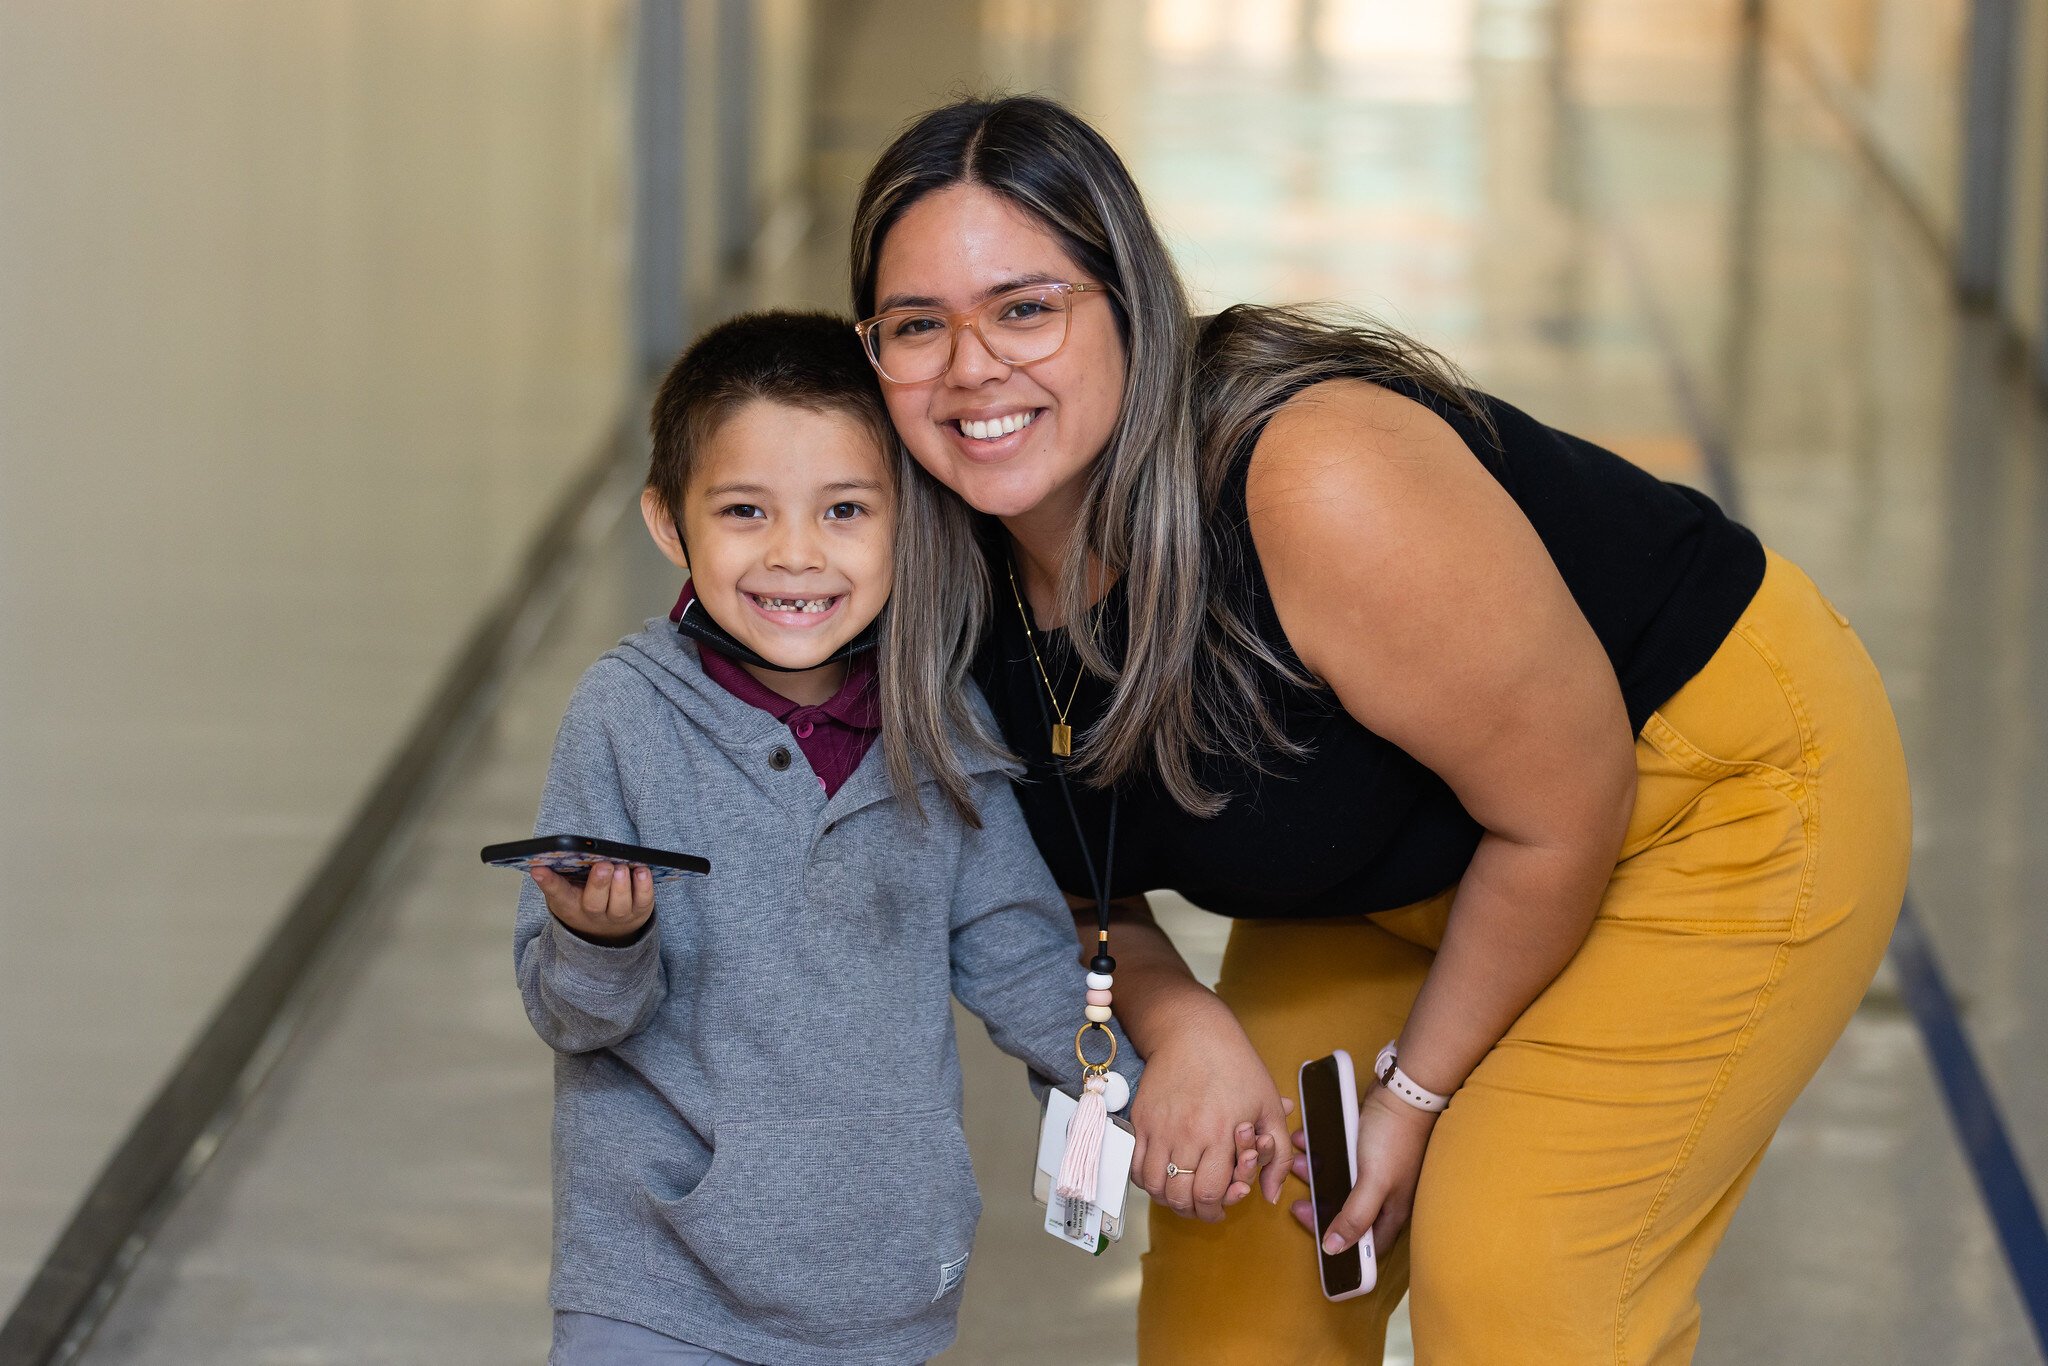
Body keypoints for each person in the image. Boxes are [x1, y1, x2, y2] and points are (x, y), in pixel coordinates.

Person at [846, 96, 1912, 1364]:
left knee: (1514, 1271)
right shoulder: (918, 571)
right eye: (917, 325)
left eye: (1025, 308)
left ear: (1129, 304)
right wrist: (1181, 1024)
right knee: (1243, 1272)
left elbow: (1565, 804)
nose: (971, 368)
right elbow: (1052, 877)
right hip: (1388, 860)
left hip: (1689, 798)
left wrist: (1415, 1091)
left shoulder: (1311, 481)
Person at [513, 310, 1143, 1366]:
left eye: (845, 509)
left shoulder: (944, 727)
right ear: (668, 522)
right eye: (745, 511)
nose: (796, 554)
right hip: (650, 1285)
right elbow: (572, 1016)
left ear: (910, 520)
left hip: (879, 1294)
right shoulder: (622, 718)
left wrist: (1133, 1102)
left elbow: (1023, 957)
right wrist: (601, 939)